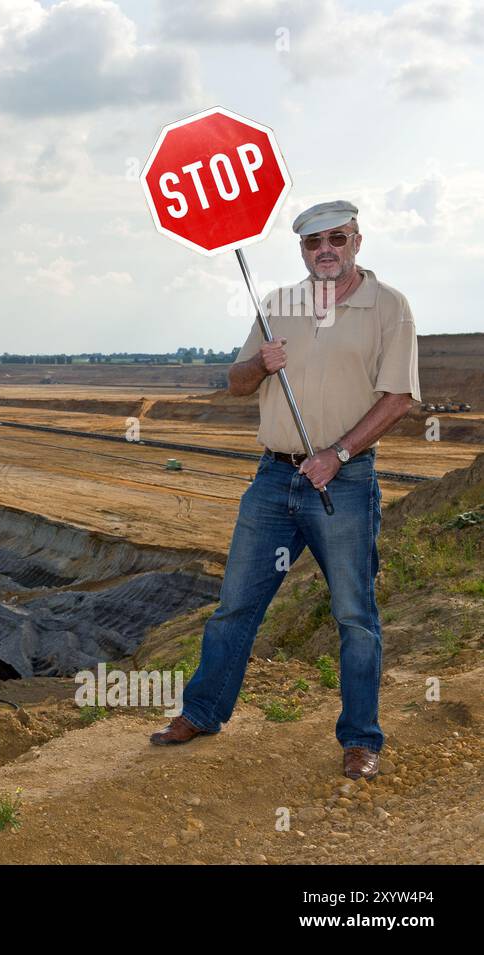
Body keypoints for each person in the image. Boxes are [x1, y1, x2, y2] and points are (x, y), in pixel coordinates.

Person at [150, 200, 421, 780]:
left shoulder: (389, 307)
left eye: (337, 239)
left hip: (344, 482)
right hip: (274, 479)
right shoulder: (278, 304)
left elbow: (398, 397)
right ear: (301, 249)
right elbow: (236, 383)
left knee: (354, 614)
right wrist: (261, 365)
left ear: (357, 240)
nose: (325, 249)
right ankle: (201, 713)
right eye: (312, 242)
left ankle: (360, 738)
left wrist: (338, 454)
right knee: (234, 609)